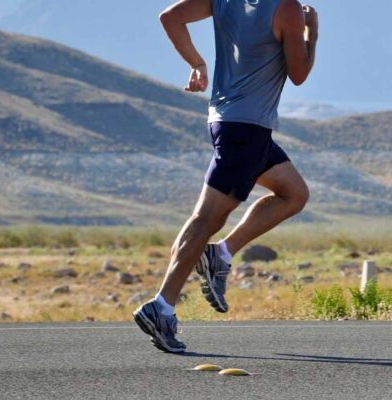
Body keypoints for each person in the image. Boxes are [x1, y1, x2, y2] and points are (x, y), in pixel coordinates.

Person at [133, 0, 318, 353]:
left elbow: (170, 17)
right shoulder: (288, 8)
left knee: (294, 194)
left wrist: (196, 64)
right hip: (246, 131)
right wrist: (312, 33)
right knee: (205, 219)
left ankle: (220, 255)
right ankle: (162, 306)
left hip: (230, 123)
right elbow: (298, 73)